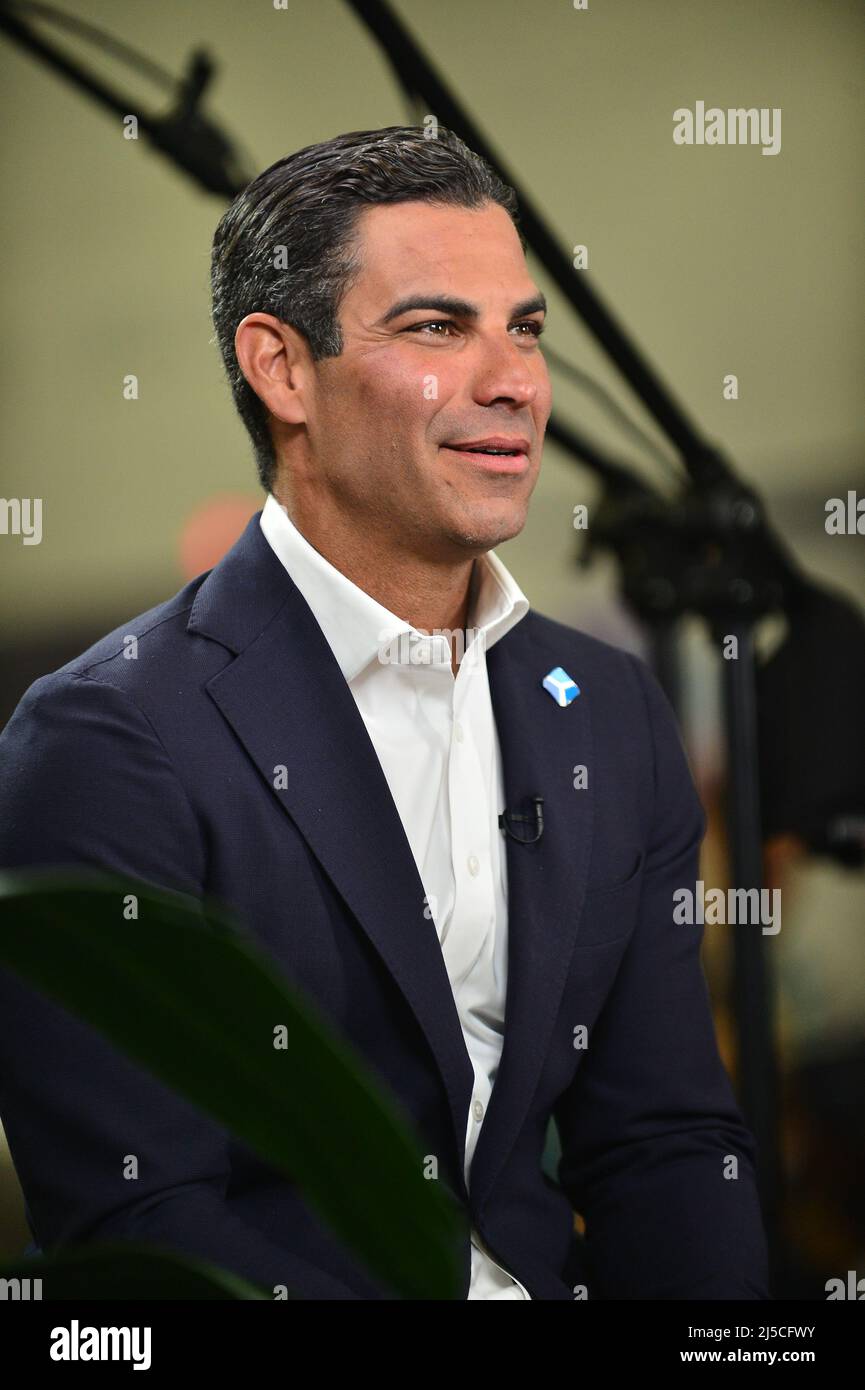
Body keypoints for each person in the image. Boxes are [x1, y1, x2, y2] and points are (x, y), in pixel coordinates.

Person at [0, 126, 769, 1299]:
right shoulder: (106, 740)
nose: (512, 380)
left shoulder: (605, 710)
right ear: (282, 369)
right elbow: (141, 1224)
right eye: (434, 327)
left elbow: (662, 1141)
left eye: (522, 329)